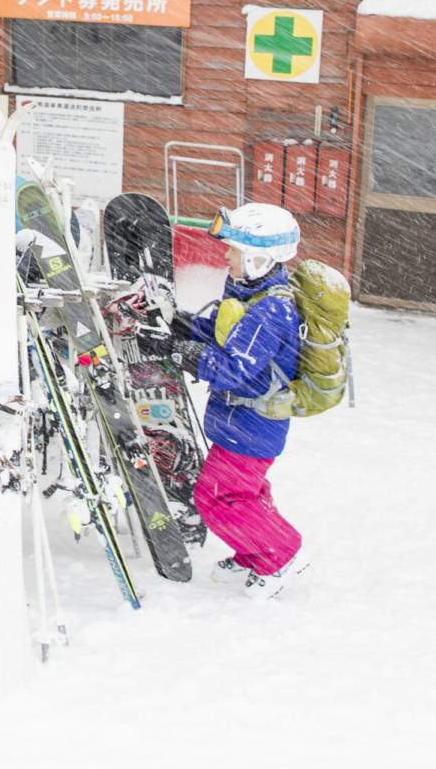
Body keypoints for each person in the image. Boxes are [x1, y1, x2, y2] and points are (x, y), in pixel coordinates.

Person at [153, 203, 308, 594]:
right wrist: (180, 324)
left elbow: (234, 368)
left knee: (217, 497)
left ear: (259, 259)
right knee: (245, 493)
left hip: (253, 424)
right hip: (237, 420)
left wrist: (177, 351)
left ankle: (280, 554)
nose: (225, 256)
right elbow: (224, 333)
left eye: (234, 251)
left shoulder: (271, 310)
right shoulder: (249, 293)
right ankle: (253, 552)